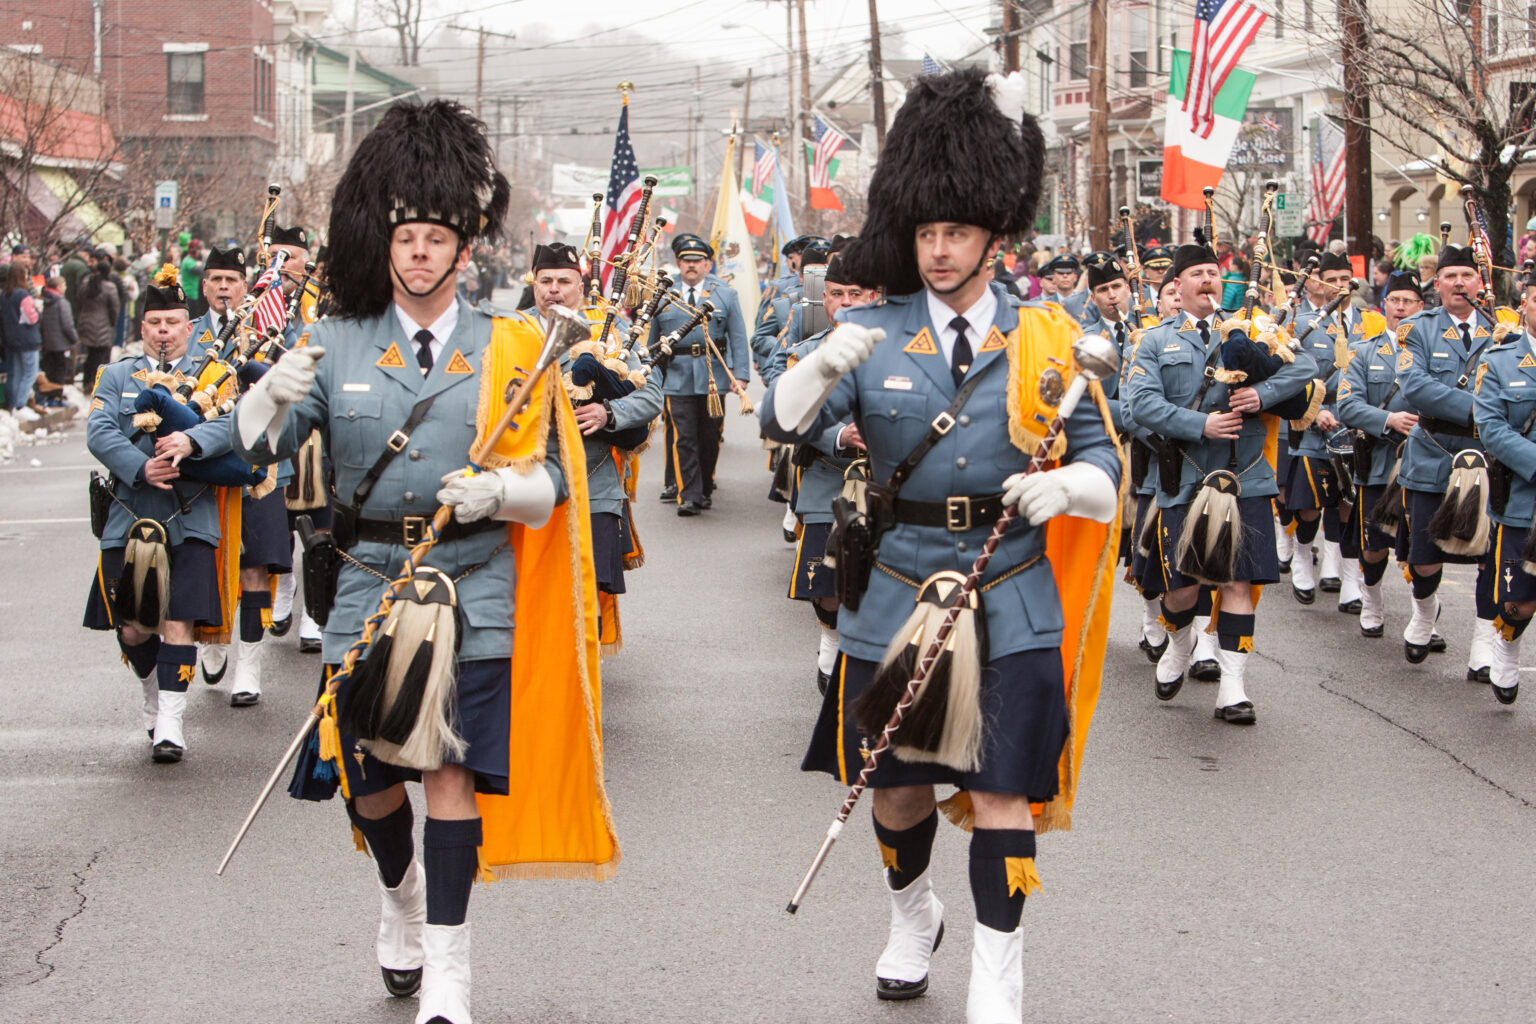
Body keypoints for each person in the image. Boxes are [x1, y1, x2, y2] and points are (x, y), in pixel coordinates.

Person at [233, 100, 617, 1024]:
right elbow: (258, 453)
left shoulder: (514, 346)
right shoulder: (334, 340)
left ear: (463, 245)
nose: (418, 253)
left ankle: (451, 968)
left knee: (449, 771)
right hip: (367, 580)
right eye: (405, 236)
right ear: (385, 241)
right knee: (367, 780)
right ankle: (400, 891)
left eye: (435, 236)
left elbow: (556, 481)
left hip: (471, 581)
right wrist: (264, 402)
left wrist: (504, 493)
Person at [762, 67, 1121, 1022]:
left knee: (1007, 791)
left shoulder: (1051, 338)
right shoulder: (869, 333)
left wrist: (1064, 486)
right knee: (896, 789)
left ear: (994, 238)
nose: (937, 249)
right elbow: (783, 420)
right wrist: (819, 362)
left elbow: (1104, 472)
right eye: (925, 232)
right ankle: (912, 911)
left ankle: (999, 980)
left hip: (1011, 587)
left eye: (956, 232)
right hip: (899, 584)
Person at [1126, 239, 1318, 725]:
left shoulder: (1252, 328)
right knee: (1182, 588)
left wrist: (1262, 393)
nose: (1208, 280)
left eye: (1213, 272)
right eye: (1197, 274)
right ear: (1177, 285)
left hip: (1246, 476)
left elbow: (1309, 368)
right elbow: (1140, 406)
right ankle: (1180, 640)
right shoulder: (1154, 341)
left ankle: (1233, 686)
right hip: (1186, 477)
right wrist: (1201, 425)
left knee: (1237, 580)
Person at [83, 269, 236, 762]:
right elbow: (99, 430)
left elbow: (236, 427)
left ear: (188, 326)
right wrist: (138, 466)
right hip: (130, 512)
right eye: (154, 322)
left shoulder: (215, 371)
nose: (163, 330)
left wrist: (192, 439)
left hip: (191, 514)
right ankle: (152, 689)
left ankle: (171, 720)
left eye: (172, 321)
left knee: (178, 620)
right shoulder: (116, 375)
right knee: (130, 625)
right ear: (142, 326)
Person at [528, 240, 663, 651]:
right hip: (527, 484)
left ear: (580, 285)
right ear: (533, 284)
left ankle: (580, 680)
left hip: (594, 486)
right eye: (545, 280)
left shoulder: (612, 332)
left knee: (587, 597)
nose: (554, 289)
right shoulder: (513, 332)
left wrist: (609, 413)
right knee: (532, 593)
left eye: (563, 281)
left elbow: (651, 395)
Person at [187, 245, 291, 705]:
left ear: (246, 286)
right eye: (215, 280)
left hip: (256, 465)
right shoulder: (188, 335)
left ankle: (249, 664)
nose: (224, 287)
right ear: (204, 285)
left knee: (255, 566)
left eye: (232, 280)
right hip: (203, 468)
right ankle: (213, 640)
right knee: (207, 563)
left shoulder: (268, 333)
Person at [1395, 243, 1500, 677]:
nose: (1460, 282)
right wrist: (1480, 407)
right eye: (1451, 275)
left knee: (1491, 557)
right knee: (1423, 554)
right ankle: (1424, 611)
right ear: (1436, 284)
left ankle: (1484, 643)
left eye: (1468, 275)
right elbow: (1413, 385)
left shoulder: (1503, 330)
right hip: (1434, 452)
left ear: (1480, 282)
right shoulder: (1417, 329)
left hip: (1492, 457)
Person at [782, 247, 881, 694]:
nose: (843, 302)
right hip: (828, 478)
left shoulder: (905, 351)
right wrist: (840, 435)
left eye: (855, 293)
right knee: (827, 582)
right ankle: (831, 638)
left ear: (877, 296)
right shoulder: (805, 355)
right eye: (835, 293)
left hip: (887, 485)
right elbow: (794, 418)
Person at [1337, 270, 1427, 640]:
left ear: (1421, 307)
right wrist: (1388, 418)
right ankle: (1371, 600)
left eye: (1409, 301)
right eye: (1395, 300)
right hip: (1378, 462)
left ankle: (1425, 615)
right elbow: (1347, 404)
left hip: (1424, 463)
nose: (1401, 307)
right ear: (1384, 305)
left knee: (1421, 549)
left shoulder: (1434, 351)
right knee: (1374, 546)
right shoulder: (1364, 351)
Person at [1470, 269, 1536, 706]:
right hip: (1522, 499)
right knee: (1520, 603)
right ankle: (1507, 643)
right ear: (1524, 305)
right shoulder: (1499, 360)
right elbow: (1490, 426)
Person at [650, 233, 748, 515]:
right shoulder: (664, 293)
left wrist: (739, 375)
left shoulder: (724, 293)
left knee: (710, 436)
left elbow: (738, 337)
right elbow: (652, 340)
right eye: (686, 261)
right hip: (676, 377)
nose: (691, 266)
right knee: (684, 437)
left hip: (713, 378)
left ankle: (704, 487)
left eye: (697, 261)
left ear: (708, 264)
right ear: (678, 263)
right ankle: (688, 495)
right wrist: (650, 377)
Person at [1285, 252, 1361, 608]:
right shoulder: (1301, 323)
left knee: (1347, 502)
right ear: (1316, 280)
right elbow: (1290, 376)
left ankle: (1341, 570)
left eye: (1346, 278)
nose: (1341, 286)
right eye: (1333, 278)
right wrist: (1315, 411)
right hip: (1314, 425)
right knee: (1310, 506)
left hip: (1355, 426)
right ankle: (1302, 553)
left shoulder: (1367, 323)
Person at [2, 259, 41, 417]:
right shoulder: (23, 295)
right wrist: (38, 311)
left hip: (11, 338)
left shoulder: (5, 295)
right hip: (27, 338)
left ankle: (13, 404)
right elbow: (31, 317)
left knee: (16, 373)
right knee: (29, 373)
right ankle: (20, 404)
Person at [77, 258, 121, 395]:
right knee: (100, 356)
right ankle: (97, 382)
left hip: (85, 321)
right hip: (102, 323)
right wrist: (113, 322)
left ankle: (87, 381)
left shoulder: (85, 284)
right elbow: (114, 308)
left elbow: (79, 301)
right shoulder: (109, 287)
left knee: (91, 354)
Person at [38, 275, 78, 398]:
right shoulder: (62, 302)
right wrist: (74, 338)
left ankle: (47, 397)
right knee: (59, 371)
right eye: (64, 285)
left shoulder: (43, 301)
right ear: (58, 287)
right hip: (60, 343)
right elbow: (67, 324)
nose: (65, 288)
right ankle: (56, 396)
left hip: (47, 342)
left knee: (49, 371)